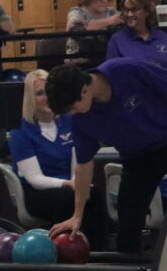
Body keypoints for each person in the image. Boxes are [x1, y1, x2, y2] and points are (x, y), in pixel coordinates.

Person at [46, 59, 167, 271]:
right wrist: (78, 213)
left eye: (71, 106)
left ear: (84, 90)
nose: (71, 113)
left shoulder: (128, 70)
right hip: (138, 159)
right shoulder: (82, 119)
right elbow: (83, 164)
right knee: (127, 230)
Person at [7, 69, 104, 246]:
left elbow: (80, 162)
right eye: (39, 93)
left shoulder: (70, 121)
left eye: (49, 92)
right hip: (38, 192)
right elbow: (35, 179)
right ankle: (61, 254)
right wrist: (68, 184)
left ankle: (100, 256)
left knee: (94, 195)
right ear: (30, 98)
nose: (47, 97)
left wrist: (77, 183)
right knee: (66, 199)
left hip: (69, 185)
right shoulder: (20, 132)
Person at [106, 0, 167, 69]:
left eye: (134, 10)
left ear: (146, 11)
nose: (129, 14)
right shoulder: (117, 40)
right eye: (126, 10)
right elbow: (112, 73)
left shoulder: (163, 37)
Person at [64, 0, 121, 66]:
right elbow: (73, 29)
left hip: (106, 62)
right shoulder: (77, 12)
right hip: (79, 65)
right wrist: (109, 21)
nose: (103, 1)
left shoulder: (111, 12)